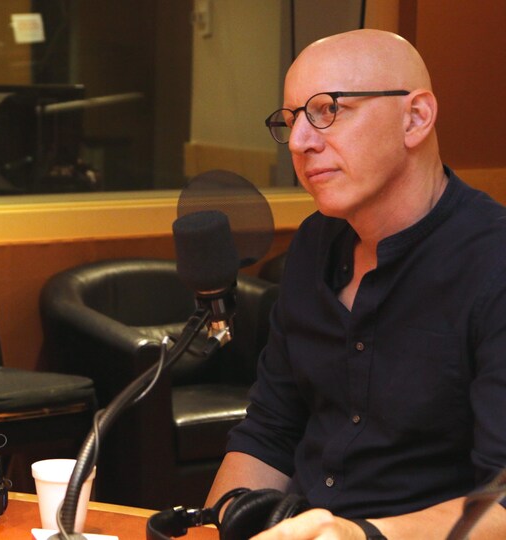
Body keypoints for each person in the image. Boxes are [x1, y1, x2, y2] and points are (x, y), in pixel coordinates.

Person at [206, 29, 506, 538]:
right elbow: (267, 433)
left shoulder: (492, 262)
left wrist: (359, 535)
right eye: (291, 119)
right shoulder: (312, 246)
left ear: (415, 118)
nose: (300, 141)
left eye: (328, 110)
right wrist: (219, 528)